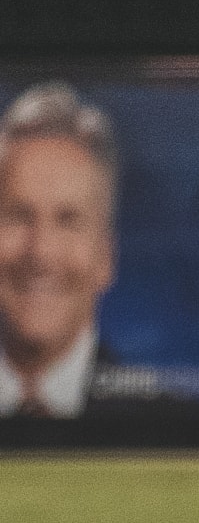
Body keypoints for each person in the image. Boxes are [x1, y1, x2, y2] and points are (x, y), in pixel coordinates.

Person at [0, 81, 117, 419]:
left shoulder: (172, 422)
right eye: (19, 216)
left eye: (68, 221)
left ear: (106, 257)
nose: (41, 252)